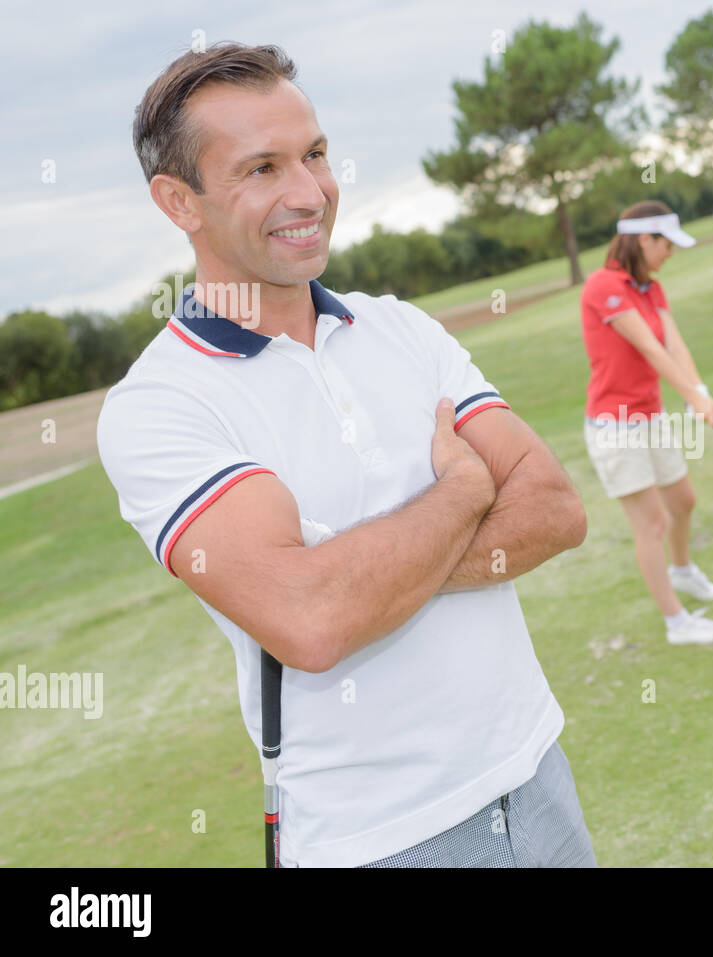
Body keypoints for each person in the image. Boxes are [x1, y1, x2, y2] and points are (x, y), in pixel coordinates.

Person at [97, 42, 596, 868]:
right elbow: (314, 620)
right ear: (178, 201)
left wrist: (363, 567)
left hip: (536, 772)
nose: (309, 192)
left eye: (316, 154)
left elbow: (553, 508)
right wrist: (467, 488)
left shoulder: (399, 325)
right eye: (261, 168)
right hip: (381, 840)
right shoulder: (159, 407)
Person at [580, 201, 713, 645]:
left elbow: (673, 342)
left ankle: (683, 569)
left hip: (651, 417)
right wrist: (692, 397)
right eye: (666, 244)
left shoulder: (652, 288)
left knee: (683, 501)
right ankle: (677, 623)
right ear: (643, 239)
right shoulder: (603, 286)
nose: (671, 252)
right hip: (615, 426)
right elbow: (649, 348)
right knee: (651, 525)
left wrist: (699, 392)